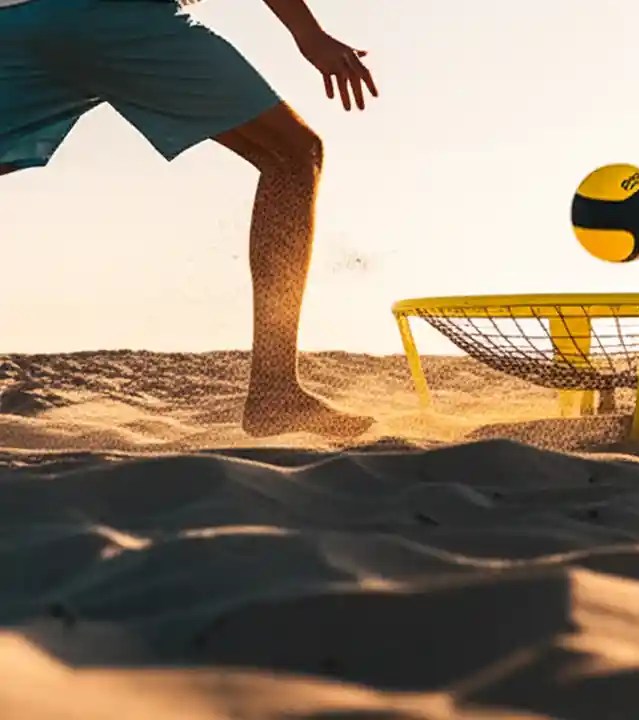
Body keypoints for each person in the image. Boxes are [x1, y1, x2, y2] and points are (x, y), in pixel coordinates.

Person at [0, 0, 379, 437]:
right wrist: (310, 36)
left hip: (17, 23)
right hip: (112, 18)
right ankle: (274, 393)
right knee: (294, 154)